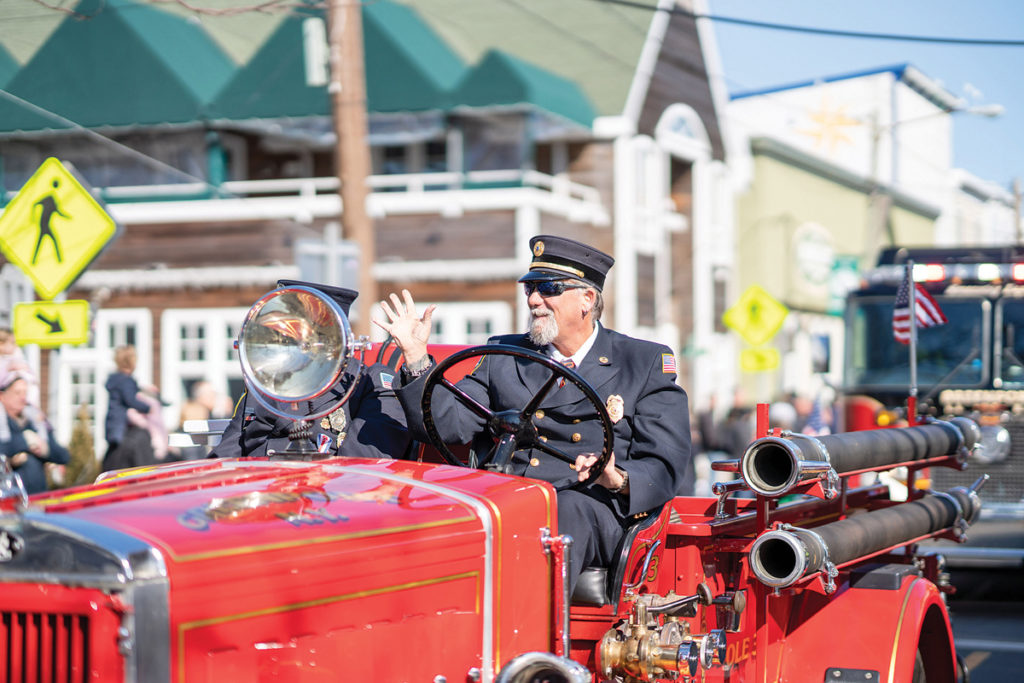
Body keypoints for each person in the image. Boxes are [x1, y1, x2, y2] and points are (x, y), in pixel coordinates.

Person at [377, 235, 691, 591]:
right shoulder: (504, 354)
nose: (534, 300)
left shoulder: (641, 362)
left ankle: (520, 635)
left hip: (591, 506)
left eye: (548, 288)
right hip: (509, 497)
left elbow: (665, 464)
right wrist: (417, 356)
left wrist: (615, 477)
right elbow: (449, 426)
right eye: (530, 288)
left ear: (587, 299)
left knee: (565, 509)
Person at [210, 280, 411, 460]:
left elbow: (362, 467)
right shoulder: (267, 382)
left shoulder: (370, 383)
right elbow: (224, 457)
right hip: (257, 490)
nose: (284, 340)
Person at [0, 369, 70, 494]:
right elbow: (3, 449)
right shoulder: (3, 422)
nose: (23, 398)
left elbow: (63, 456)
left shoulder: (34, 421)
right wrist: (24, 441)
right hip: (9, 499)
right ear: (2, 396)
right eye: (17, 393)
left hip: (38, 497)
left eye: (25, 393)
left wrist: (45, 449)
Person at [103, 345, 163, 472]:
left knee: (115, 442)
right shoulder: (126, 380)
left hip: (113, 420)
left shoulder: (117, 379)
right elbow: (130, 399)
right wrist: (147, 408)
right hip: (121, 422)